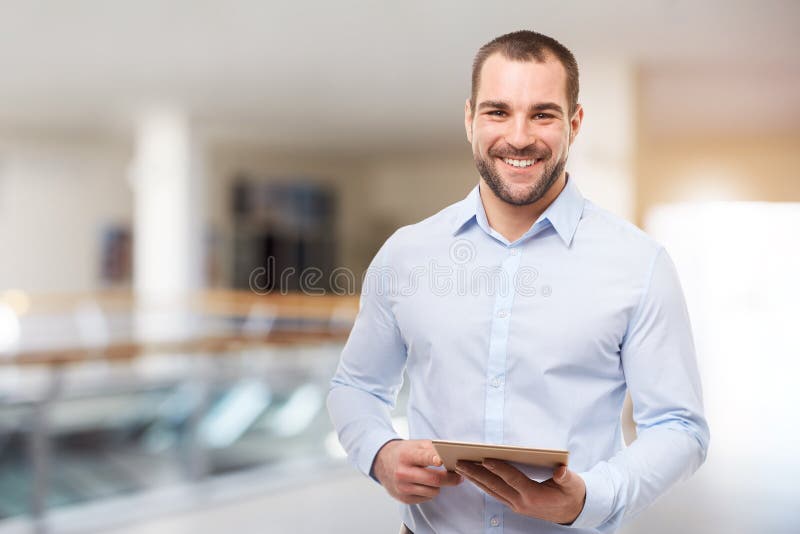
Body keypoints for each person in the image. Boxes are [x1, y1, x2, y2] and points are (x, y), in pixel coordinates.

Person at [327, 30, 709, 534]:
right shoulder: (406, 254)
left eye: (543, 114)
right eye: (498, 111)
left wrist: (591, 498)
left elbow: (680, 428)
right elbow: (355, 385)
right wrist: (380, 453)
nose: (520, 136)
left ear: (574, 123)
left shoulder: (639, 264)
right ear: (470, 119)